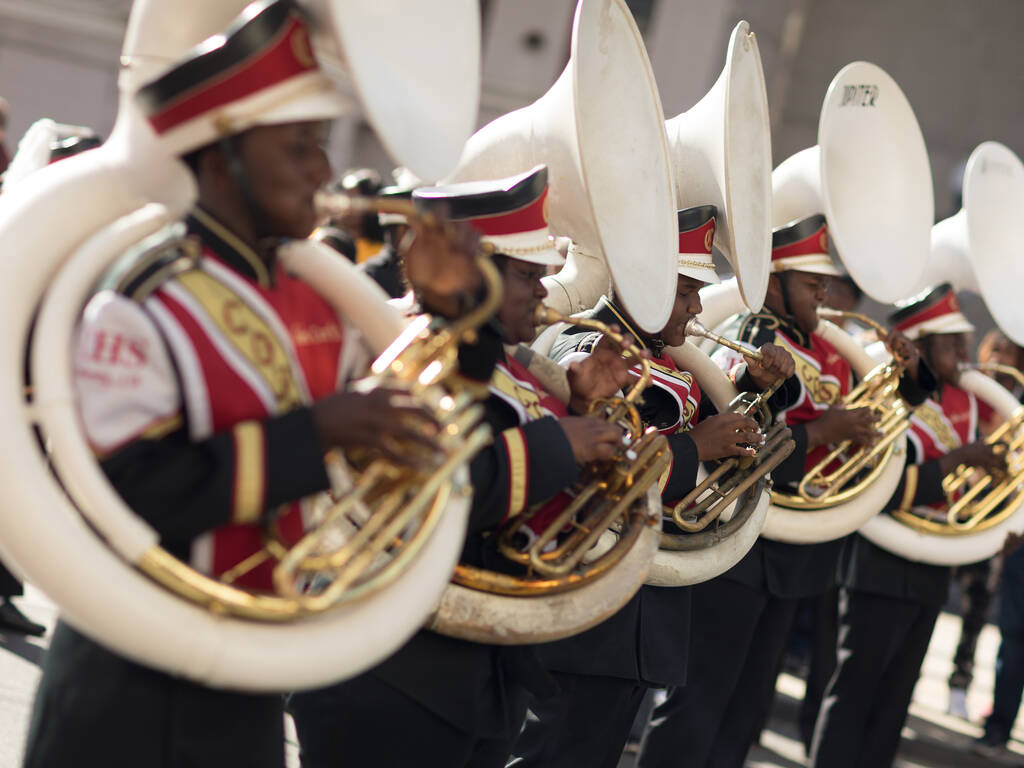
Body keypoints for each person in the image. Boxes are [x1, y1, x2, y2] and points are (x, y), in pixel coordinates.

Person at [23, 3, 478, 765]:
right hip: (127, 682)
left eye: (321, 147)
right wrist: (320, 432)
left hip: (254, 674)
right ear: (221, 154)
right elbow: (124, 492)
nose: (322, 173)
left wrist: (449, 312)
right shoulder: (142, 301)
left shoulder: (312, 297)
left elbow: (400, 434)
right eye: (299, 147)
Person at [288, 164, 637, 768]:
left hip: (480, 673)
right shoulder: (394, 342)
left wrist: (582, 416)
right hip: (388, 672)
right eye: (528, 276)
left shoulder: (526, 373)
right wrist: (562, 442)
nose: (543, 293)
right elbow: (423, 493)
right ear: (475, 273)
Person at [507, 205, 798, 768]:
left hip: (644, 610)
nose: (696, 307)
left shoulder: (665, 358)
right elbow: (598, 456)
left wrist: (751, 389)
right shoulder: (587, 345)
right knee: (551, 753)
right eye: (687, 291)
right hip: (589, 601)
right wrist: (699, 448)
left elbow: (687, 427)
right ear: (644, 281)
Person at [639, 213, 933, 768]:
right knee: (699, 702)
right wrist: (825, 432)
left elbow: (875, 411)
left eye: (824, 285)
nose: (823, 296)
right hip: (748, 547)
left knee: (745, 709)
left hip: (795, 552)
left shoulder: (820, 345)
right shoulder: (755, 334)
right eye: (811, 284)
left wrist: (908, 384)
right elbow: (742, 432)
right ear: (774, 285)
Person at [810, 284, 1002, 768]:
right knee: (856, 688)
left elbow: (960, 485)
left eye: (962, 342)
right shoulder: (887, 395)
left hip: (934, 563)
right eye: (950, 344)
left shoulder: (966, 400)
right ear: (918, 344)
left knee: (897, 697)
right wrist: (962, 459)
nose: (963, 353)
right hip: (879, 560)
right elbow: (884, 490)